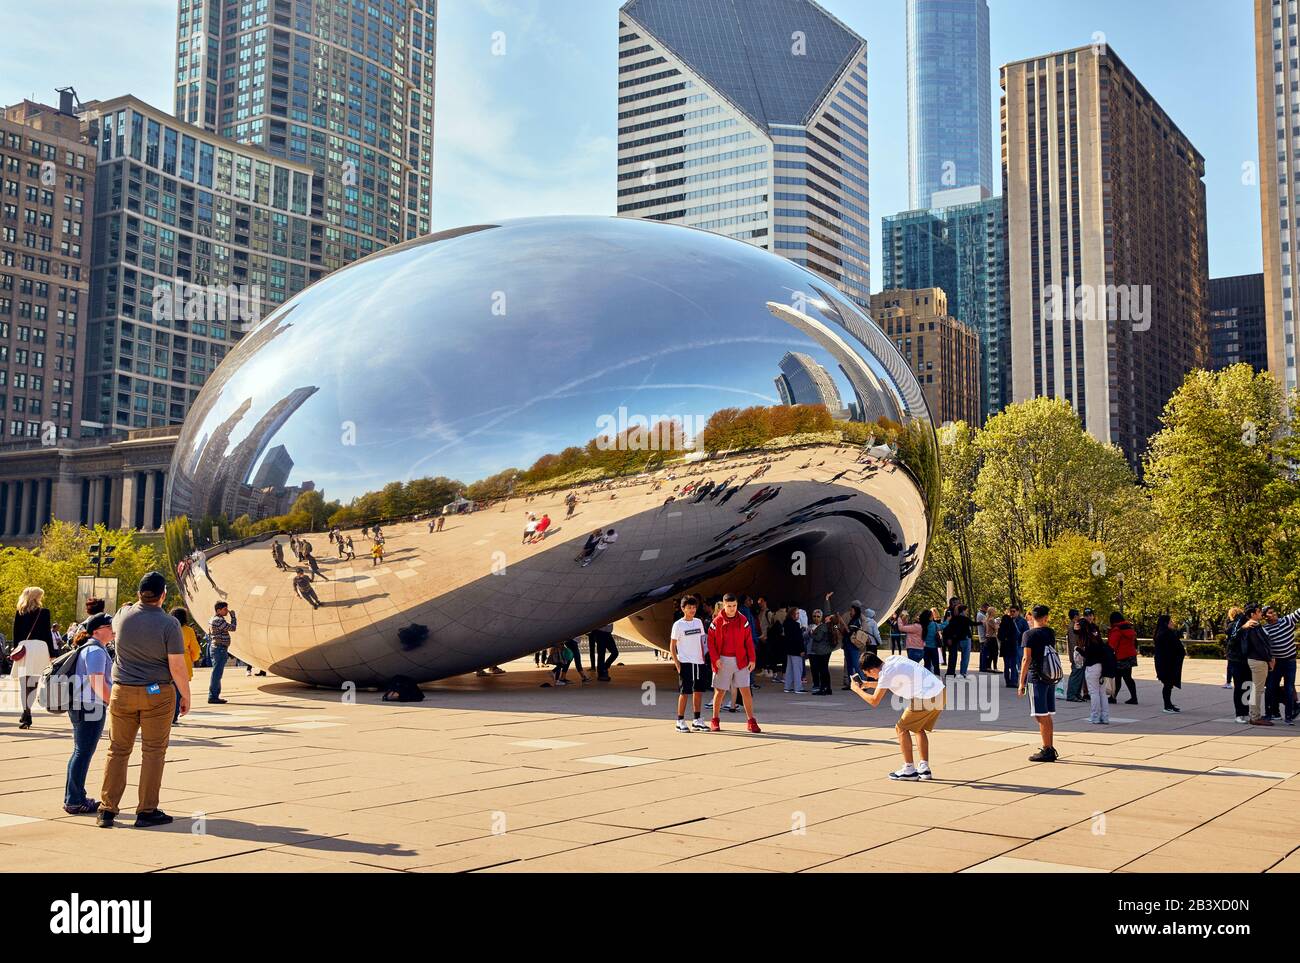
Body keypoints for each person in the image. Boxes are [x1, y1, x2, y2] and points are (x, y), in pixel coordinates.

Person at [97, 571, 190, 829]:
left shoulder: (122, 616)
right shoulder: (170, 624)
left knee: (117, 750)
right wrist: (185, 695)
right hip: (156, 693)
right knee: (153, 752)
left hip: (122, 691)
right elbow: (177, 667)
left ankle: (107, 809)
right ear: (163, 595)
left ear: (139, 593)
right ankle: (146, 810)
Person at [850, 652, 944, 781]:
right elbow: (886, 683)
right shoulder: (892, 659)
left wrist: (857, 690)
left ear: (872, 670)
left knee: (901, 728)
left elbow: (874, 701)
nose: (872, 678)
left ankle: (909, 770)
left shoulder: (885, 674)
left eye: (868, 674)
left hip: (925, 697)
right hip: (940, 692)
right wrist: (866, 684)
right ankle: (924, 768)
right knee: (918, 728)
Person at [63, 613, 114, 815]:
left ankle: (74, 797)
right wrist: (113, 702)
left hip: (82, 703)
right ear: (97, 631)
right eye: (108, 627)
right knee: (83, 753)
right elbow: (97, 682)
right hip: (90, 705)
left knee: (80, 752)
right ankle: (74, 800)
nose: (112, 630)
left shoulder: (90, 648)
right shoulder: (95, 651)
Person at [708, 593, 760, 733]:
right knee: (720, 692)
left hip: (741, 661)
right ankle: (715, 720)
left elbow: (748, 641)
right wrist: (715, 659)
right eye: (729, 606)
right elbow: (711, 643)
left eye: (734, 606)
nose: (732, 609)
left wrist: (752, 659)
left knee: (746, 691)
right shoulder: (716, 622)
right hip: (723, 661)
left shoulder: (743, 620)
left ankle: (751, 721)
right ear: (723, 606)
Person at [1017, 604, 1059, 762]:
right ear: (1046, 617)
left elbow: (1026, 659)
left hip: (1036, 677)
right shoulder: (1050, 632)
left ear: (1031, 617)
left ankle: (1047, 749)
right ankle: (1049, 746)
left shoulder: (1028, 635)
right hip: (1050, 676)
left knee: (1040, 715)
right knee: (1046, 714)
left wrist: (1021, 683)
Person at [12, 586, 56, 729]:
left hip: (24, 648)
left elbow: (16, 633)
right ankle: (27, 712)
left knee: (23, 683)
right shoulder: (44, 612)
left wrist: (15, 649)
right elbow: (47, 634)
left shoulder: (20, 612)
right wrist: (52, 652)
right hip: (40, 648)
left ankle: (26, 712)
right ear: (37, 597)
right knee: (33, 683)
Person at [669, 596, 711, 732]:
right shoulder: (678, 625)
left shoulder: (698, 622)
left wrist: (705, 658)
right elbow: (672, 646)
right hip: (685, 662)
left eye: (694, 607)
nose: (692, 610)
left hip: (698, 662)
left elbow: (703, 641)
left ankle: (697, 719)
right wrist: (678, 664)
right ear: (683, 609)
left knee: (698, 691)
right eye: (689, 608)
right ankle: (680, 720)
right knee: (685, 692)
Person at [1260, 604, 1300, 724]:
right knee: (1270, 688)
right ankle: (1269, 714)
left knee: (1289, 688)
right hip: (1276, 663)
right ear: (1265, 617)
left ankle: (1288, 716)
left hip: (1290, 662)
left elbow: (1298, 612)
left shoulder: (1287, 621)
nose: (1274, 614)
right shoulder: (1265, 629)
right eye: (1270, 613)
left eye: (1274, 611)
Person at [1239, 604, 1275, 726]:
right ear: (1252, 614)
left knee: (1256, 689)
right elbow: (1259, 646)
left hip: (1257, 659)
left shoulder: (1253, 625)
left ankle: (1254, 715)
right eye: (1259, 611)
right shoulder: (1253, 626)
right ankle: (1255, 717)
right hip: (1258, 660)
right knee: (1257, 690)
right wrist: (1269, 659)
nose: (1261, 613)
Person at [170, 608, 202, 724]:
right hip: (184, 662)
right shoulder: (188, 631)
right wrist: (193, 658)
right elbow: (195, 649)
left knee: (164, 688)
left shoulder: (167, 627)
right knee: (179, 690)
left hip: (168, 662)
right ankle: (174, 716)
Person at [1152, 614, 1185, 714]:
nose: (1173, 623)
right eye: (1171, 621)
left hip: (1165, 662)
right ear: (1166, 623)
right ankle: (1167, 706)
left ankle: (1169, 704)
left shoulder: (1162, 633)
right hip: (1167, 663)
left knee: (1168, 684)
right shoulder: (1166, 634)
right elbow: (1173, 648)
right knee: (1168, 684)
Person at [1083, 615, 1112, 724]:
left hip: (1092, 666)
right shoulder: (1099, 641)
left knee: (1094, 693)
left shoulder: (1088, 641)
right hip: (1102, 666)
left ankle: (1095, 716)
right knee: (1102, 693)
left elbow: (1086, 654)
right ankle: (1105, 717)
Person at [207, 601, 237, 705]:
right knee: (217, 674)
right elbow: (233, 628)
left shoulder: (213, 619)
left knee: (217, 673)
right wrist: (233, 617)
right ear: (218, 610)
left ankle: (214, 695)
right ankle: (213, 696)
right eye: (225, 609)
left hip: (217, 648)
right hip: (219, 649)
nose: (227, 611)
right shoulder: (218, 620)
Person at [1107, 611, 1139, 705]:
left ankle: (1113, 697)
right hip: (1130, 655)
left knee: (1117, 678)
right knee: (1128, 677)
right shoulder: (1128, 628)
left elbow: (1112, 644)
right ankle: (1134, 697)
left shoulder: (1117, 629)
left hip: (1121, 656)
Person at [808, 611, 838, 695]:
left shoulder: (824, 627)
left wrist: (812, 634)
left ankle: (822, 689)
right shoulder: (832, 627)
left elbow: (818, 638)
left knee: (822, 670)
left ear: (829, 620)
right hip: (827, 651)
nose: (826, 617)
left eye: (829, 617)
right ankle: (828, 688)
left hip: (821, 651)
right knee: (825, 670)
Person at [943, 603, 973, 677]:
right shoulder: (963, 618)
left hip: (957, 638)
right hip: (965, 638)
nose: (967, 612)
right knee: (965, 656)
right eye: (966, 611)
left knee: (954, 656)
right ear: (963, 611)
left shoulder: (954, 617)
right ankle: (963, 673)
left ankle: (954, 672)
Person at [783, 604, 808, 694]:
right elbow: (798, 639)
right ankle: (798, 687)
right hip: (796, 650)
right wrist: (801, 650)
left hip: (789, 649)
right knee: (798, 669)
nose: (798, 615)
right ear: (792, 615)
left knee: (789, 669)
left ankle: (787, 687)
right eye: (797, 614)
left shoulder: (786, 623)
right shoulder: (795, 625)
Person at [1065, 609, 1088, 703]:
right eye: (1078, 615)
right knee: (1076, 674)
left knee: (1080, 675)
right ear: (1075, 616)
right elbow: (1075, 642)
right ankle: (1071, 694)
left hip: (1077, 653)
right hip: (1077, 654)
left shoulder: (1072, 625)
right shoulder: (1074, 626)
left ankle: (1077, 694)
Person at [998, 605, 1022, 688]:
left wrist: (1005, 639)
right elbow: (1017, 635)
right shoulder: (1012, 626)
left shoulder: (1002, 627)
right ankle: (1013, 682)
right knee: (1013, 665)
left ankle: (1007, 681)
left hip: (1004, 648)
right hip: (1012, 647)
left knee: (1006, 666)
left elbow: (999, 637)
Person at [920, 608, 941, 676]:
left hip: (925, 647)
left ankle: (927, 678)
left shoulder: (922, 625)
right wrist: (947, 621)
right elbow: (942, 626)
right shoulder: (934, 624)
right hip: (933, 647)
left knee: (927, 664)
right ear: (930, 617)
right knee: (936, 664)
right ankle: (937, 678)